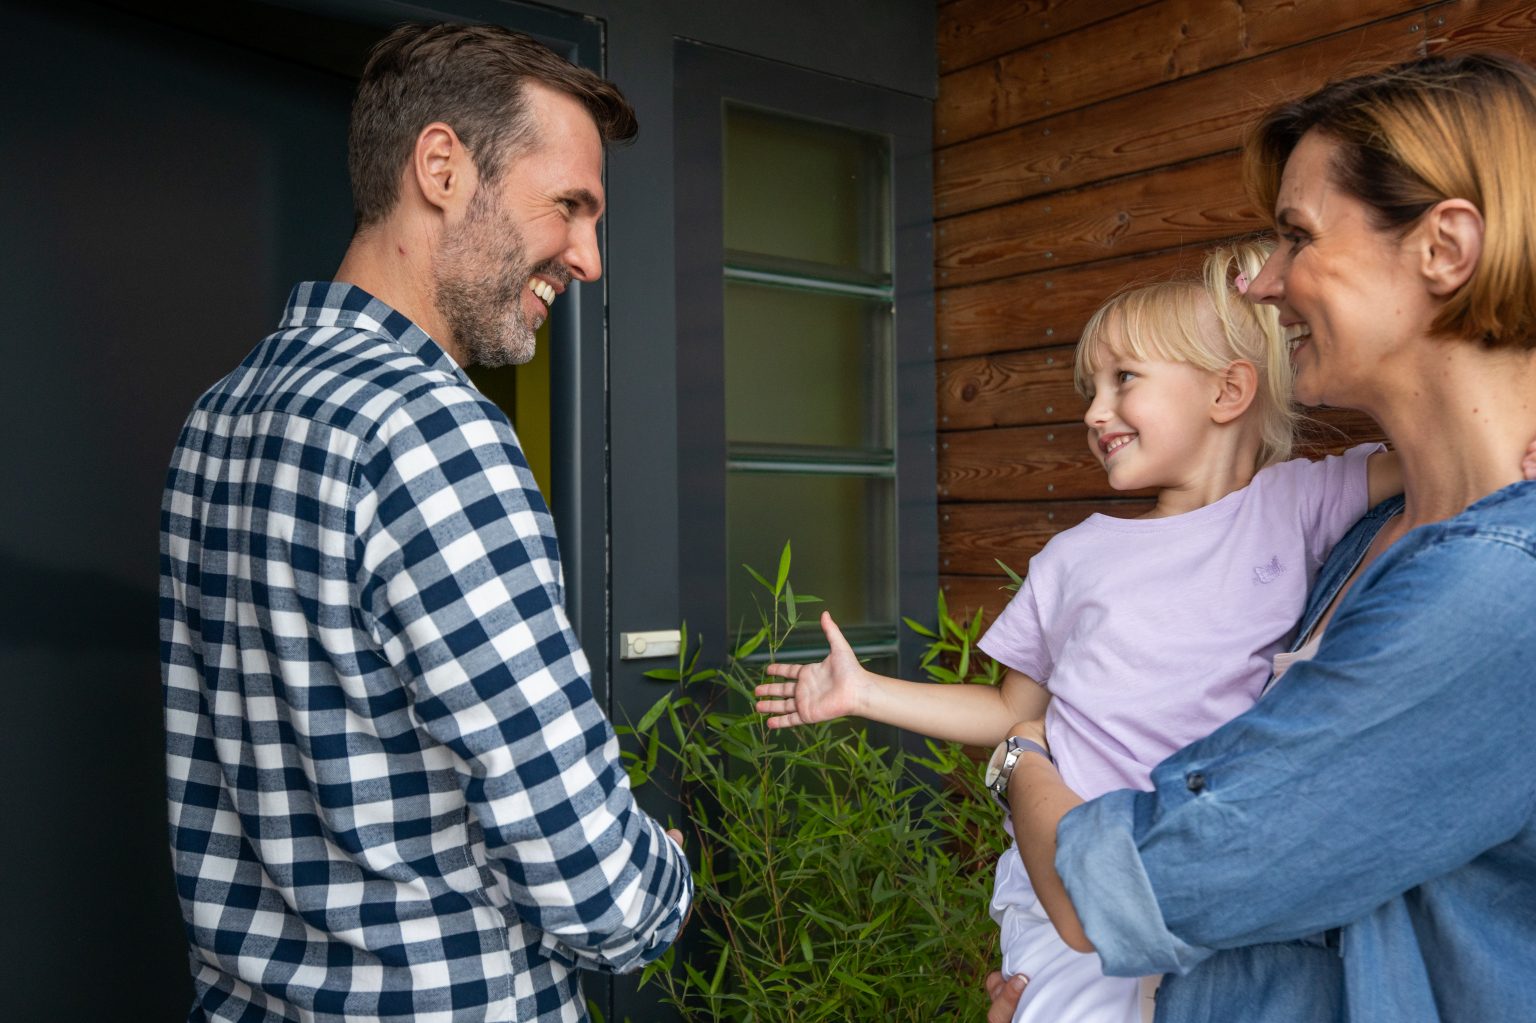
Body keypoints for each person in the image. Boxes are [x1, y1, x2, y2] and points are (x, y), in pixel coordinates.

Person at [987, 51, 1536, 1023]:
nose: (1263, 281)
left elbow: (1136, 885)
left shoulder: (1496, 595)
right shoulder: (1364, 535)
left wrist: (1021, 755)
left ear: (1444, 248)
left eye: (1295, 236)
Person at [160, 24, 691, 1022]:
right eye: (569, 206)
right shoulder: (433, 433)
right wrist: (665, 874)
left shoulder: (221, 413)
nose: (587, 258)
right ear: (441, 166)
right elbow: (602, 889)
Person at [756, 239, 1408, 1023]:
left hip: (1200, 879)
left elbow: (1440, 438)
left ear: (1229, 390)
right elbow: (1009, 713)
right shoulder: (1075, 557)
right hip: (1063, 884)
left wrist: (1295, 282)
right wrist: (865, 692)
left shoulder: (1300, 503)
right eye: (1089, 387)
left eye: (1124, 379)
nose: (1094, 411)